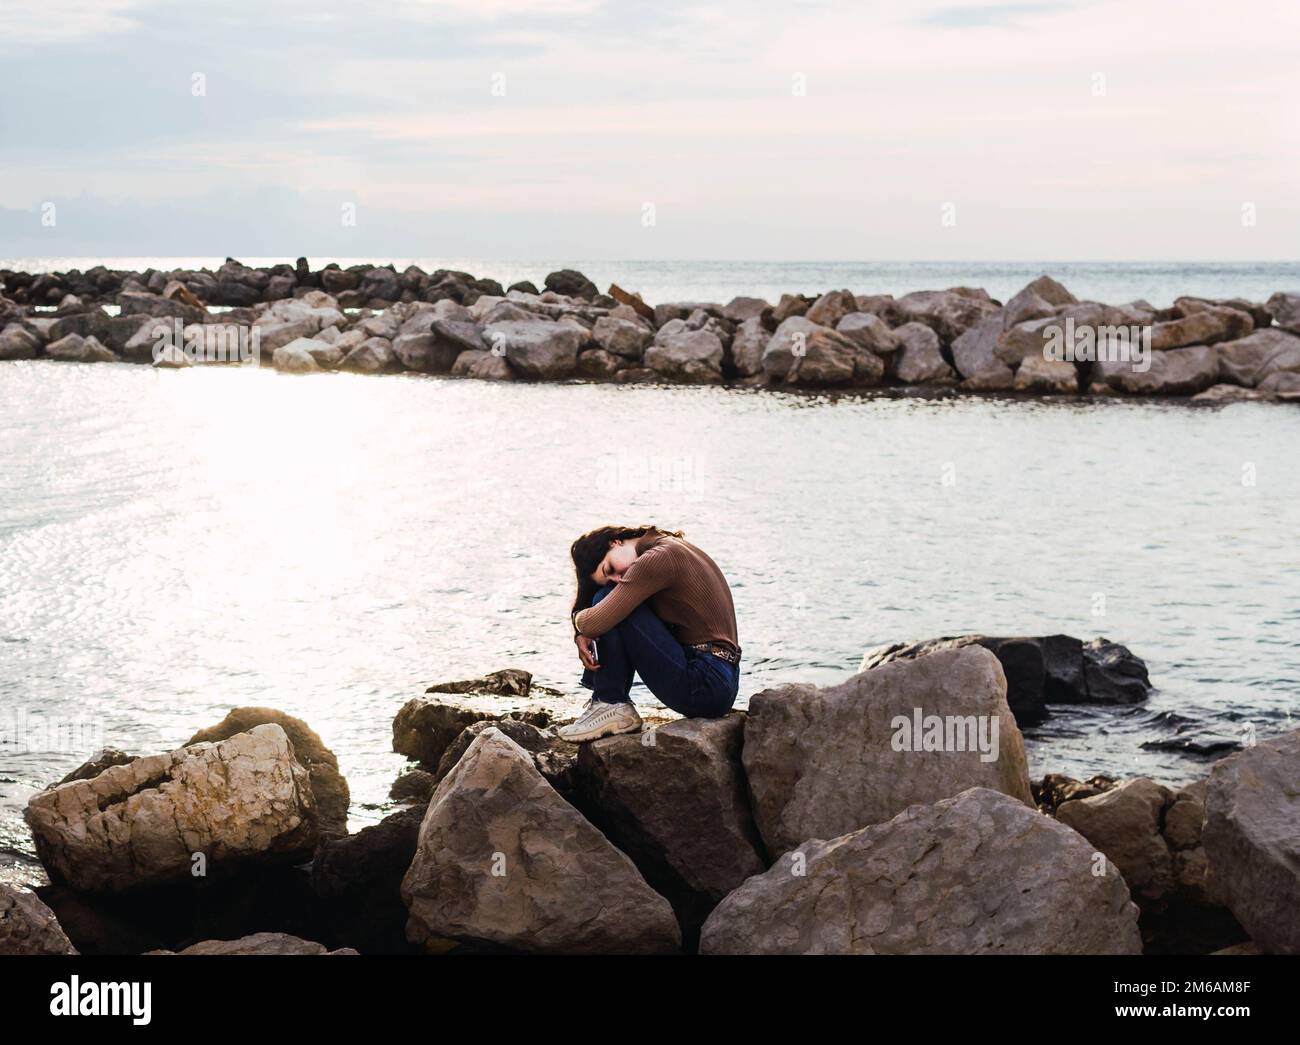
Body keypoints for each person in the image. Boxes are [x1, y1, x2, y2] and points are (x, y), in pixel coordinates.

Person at [558, 524, 742, 742]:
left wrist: (580, 624)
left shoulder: (658, 558)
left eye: (610, 569)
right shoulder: (669, 546)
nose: (618, 578)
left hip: (703, 683)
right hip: (717, 680)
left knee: (606, 597)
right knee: (610, 601)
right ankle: (610, 703)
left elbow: (593, 624)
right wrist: (586, 628)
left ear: (614, 542)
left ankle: (610, 702)